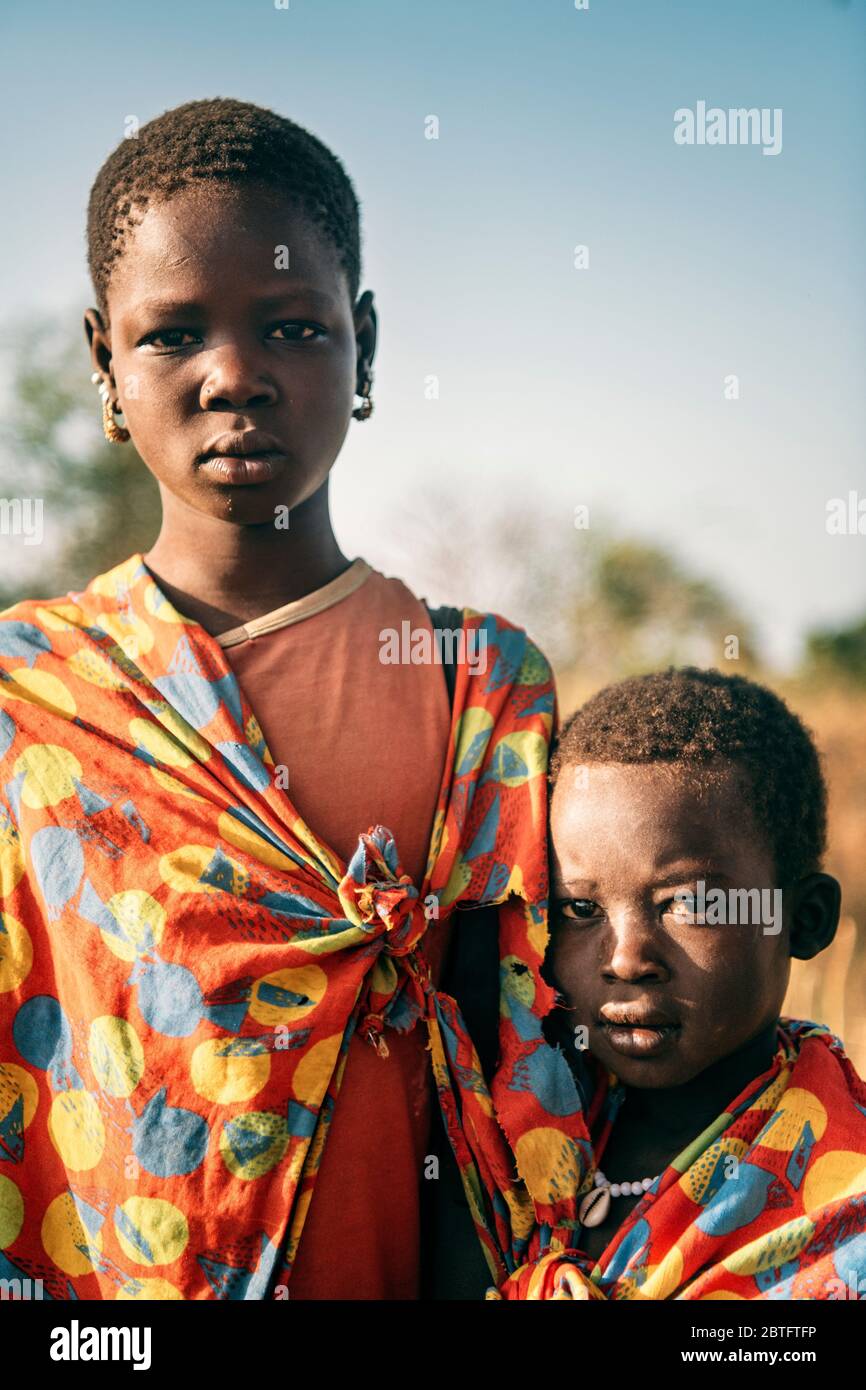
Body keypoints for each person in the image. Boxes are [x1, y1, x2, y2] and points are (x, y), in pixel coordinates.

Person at [0, 98, 564, 1301]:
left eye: (292, 327)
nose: (236, 377)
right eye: (171, 338)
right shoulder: (29, 692)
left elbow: (511, 1062)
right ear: (103, 363)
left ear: (362, 342)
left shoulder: (477, 683)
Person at [492, 667, 866, 1300]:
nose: (627, 960)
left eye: (687, 905)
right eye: (580, 910)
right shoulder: (512, 1139)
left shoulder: (843, 1201)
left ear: (803, 920)